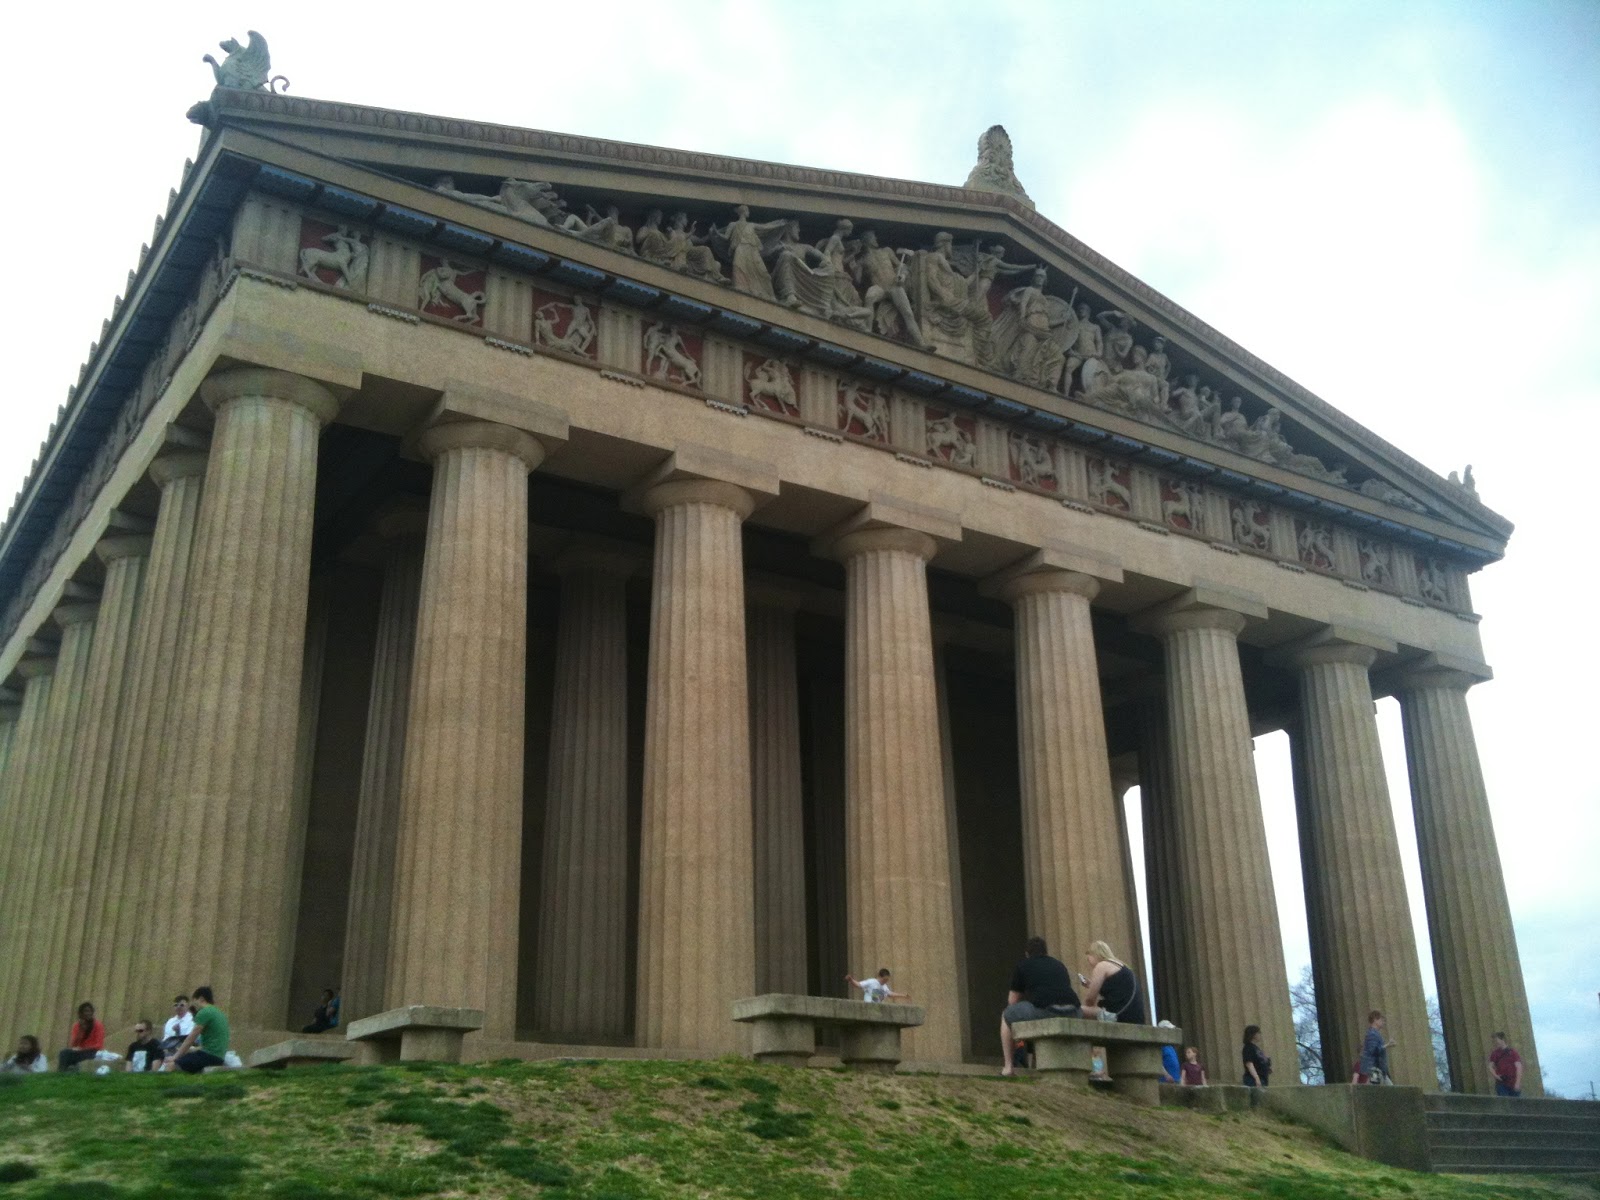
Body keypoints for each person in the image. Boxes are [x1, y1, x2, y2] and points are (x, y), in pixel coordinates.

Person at [1000, 936, 1082, 1077]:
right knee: (1036, 1011)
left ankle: (1008, 1067)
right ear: (1046, 952)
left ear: (1027, 953)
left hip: (1047, 1010)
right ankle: (1036, 1063)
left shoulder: (1023, 965)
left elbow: (1012, 1001)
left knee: (1007, 1015)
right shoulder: (1059, 965)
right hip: (1074, 1011)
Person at [165, 986, 229, 1074]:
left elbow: (191, 1038)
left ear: (201, 999)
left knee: (172, 1065)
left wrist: (175, 1057)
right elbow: (212, 1042)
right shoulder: (219, 1013)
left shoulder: (204, 1012)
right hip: (219, 1056)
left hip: (209, 1056)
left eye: (195, 1001)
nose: (194, 1006)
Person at [1080, 940, 1146, 1024]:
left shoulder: (1101, 966)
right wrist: (1091, 985)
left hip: (1119, 1014)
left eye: (1088, 956)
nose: (1088, 961)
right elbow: (1117, 990)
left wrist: (1089, 1007)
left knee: (1077, 1010)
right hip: (1135, 1016)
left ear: (1094, 954)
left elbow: (1090, 1000)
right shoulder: (1120, 965)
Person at [58, 1002, 105, 1072]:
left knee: (70, 1055)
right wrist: (81, 1031)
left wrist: (83, 1049)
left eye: (89, 1011)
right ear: (81, 1014)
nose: (88, 1013)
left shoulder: (98, 1025)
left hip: (93, 1052)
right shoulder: (77, 1026)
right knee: (64, 1053)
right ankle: (62, 1072)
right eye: (85, 1011)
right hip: (80, 1051)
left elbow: (99, 1045)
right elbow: (73, 1045)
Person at [1359, 1010, 1392, 1085]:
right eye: (1380, 1019)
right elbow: (1372, 1050)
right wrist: (1387, 1045)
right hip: (1374, 1069)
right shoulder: (1372, 1034)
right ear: (1375, 1020)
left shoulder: (1374, 1033)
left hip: (1378, 1069)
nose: (1383, 1022)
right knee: (1375, 1091)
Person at [1489, 1032, 1523, 1097]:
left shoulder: (1513, 1052)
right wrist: (1496, 1076)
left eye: (1496, 1040)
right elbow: (1490, 1066)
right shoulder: (1495, 1053)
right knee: (1504, 1103)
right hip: (1501, 1083)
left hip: (1513, 1082)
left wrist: (1517, 1082)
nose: (1495, 1042)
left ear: (1502, 1040)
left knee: (1516, 1104)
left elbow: (1519, 1067)